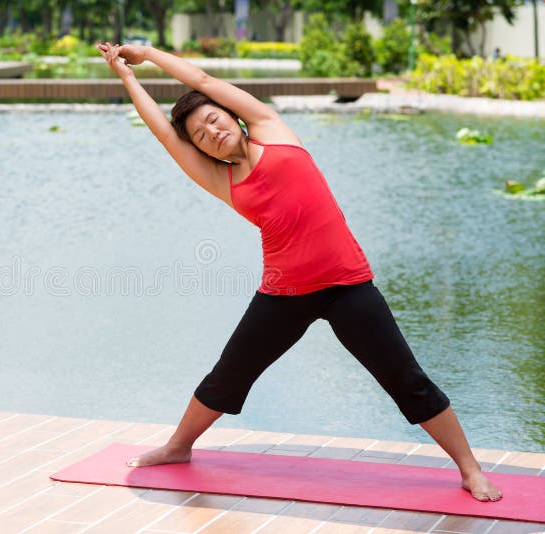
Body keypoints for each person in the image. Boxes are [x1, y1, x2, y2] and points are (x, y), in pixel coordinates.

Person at [96, 42, 502, 502]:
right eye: (200, 134)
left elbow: (204, 83)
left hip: (348, 286)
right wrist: (128, 79)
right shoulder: (220, 179)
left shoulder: (272, 129)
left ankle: (470, 468)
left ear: (232, 115)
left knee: (406, 379)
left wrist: (148, 55)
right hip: (284, 293)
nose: (211, 131)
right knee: (229, 375)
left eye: (214, 119)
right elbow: (166, 136)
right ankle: (177, 447)